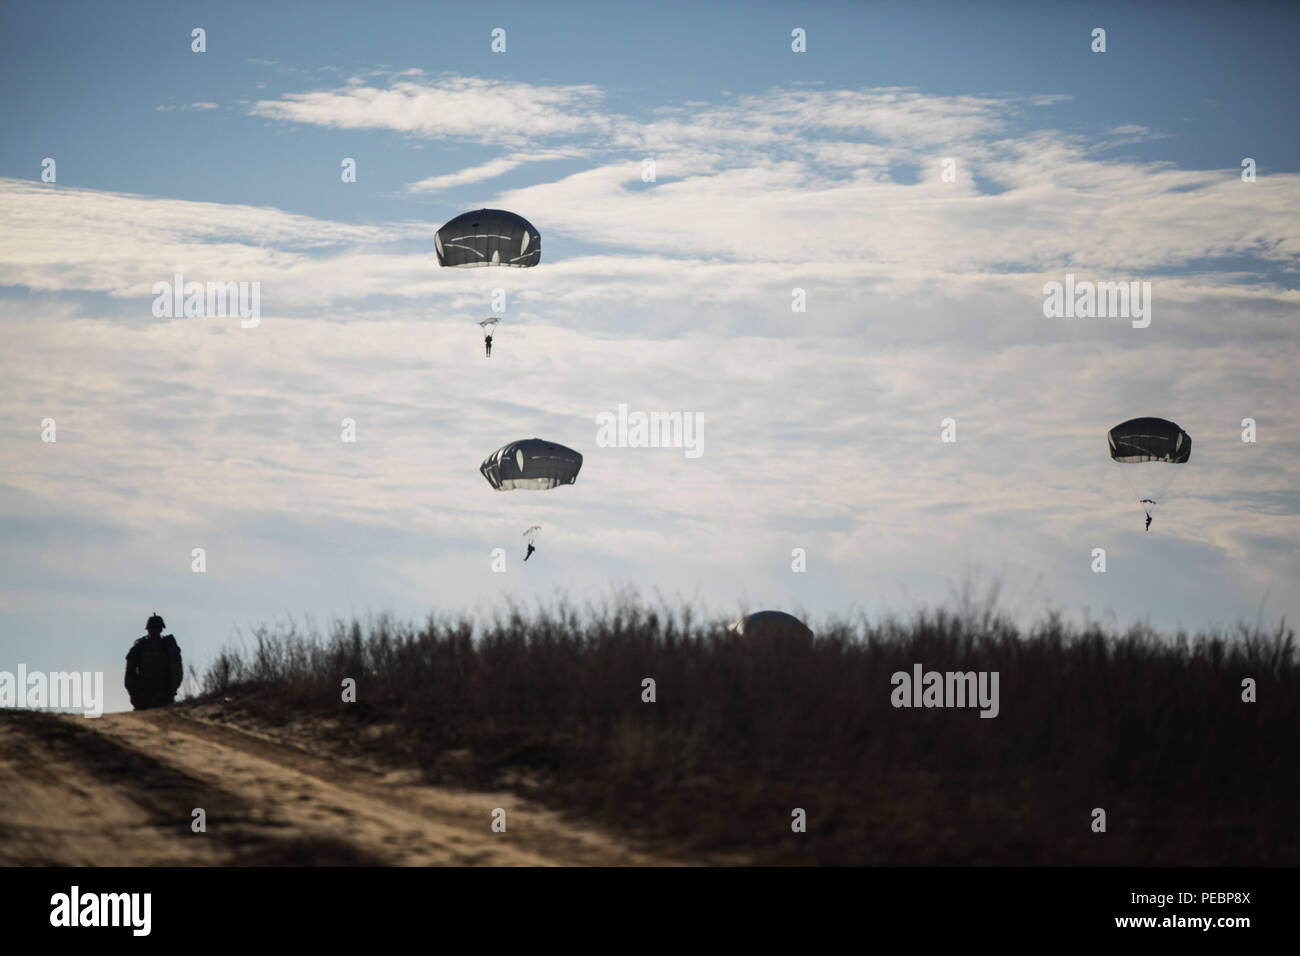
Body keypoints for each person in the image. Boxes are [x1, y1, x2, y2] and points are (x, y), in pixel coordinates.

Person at [125, 613, 183, 710]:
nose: (154, 631)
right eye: (153, 628)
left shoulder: (168, 646)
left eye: (156, 628)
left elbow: (176, 670)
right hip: (144, 693)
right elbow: (129, 674)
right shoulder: (140, 647)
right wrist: (136, 693)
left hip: (163, 692)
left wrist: (171, 690)